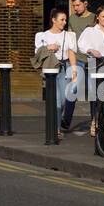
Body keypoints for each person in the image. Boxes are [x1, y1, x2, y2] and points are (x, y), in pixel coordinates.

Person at [34, 7, 79, 136]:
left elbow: (71, 52)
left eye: (65, 20)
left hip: (64, 67)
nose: (64, 22)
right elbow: (37, 53)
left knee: (65, 99)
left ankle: (57, 124)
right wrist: (49, 47)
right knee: (57, 100)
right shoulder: (43, 36)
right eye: (61, 19)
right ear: (54, 20)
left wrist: (74, 70)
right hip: (51, 69)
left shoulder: (69, 35)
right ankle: (56, 129)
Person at [78, 6, 104, 136]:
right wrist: (90, 50)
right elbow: (80, 44)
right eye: (103, 17)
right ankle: (94, 122)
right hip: (94, 62)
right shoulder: (90, 30)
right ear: (97, 17)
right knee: (95, 95)